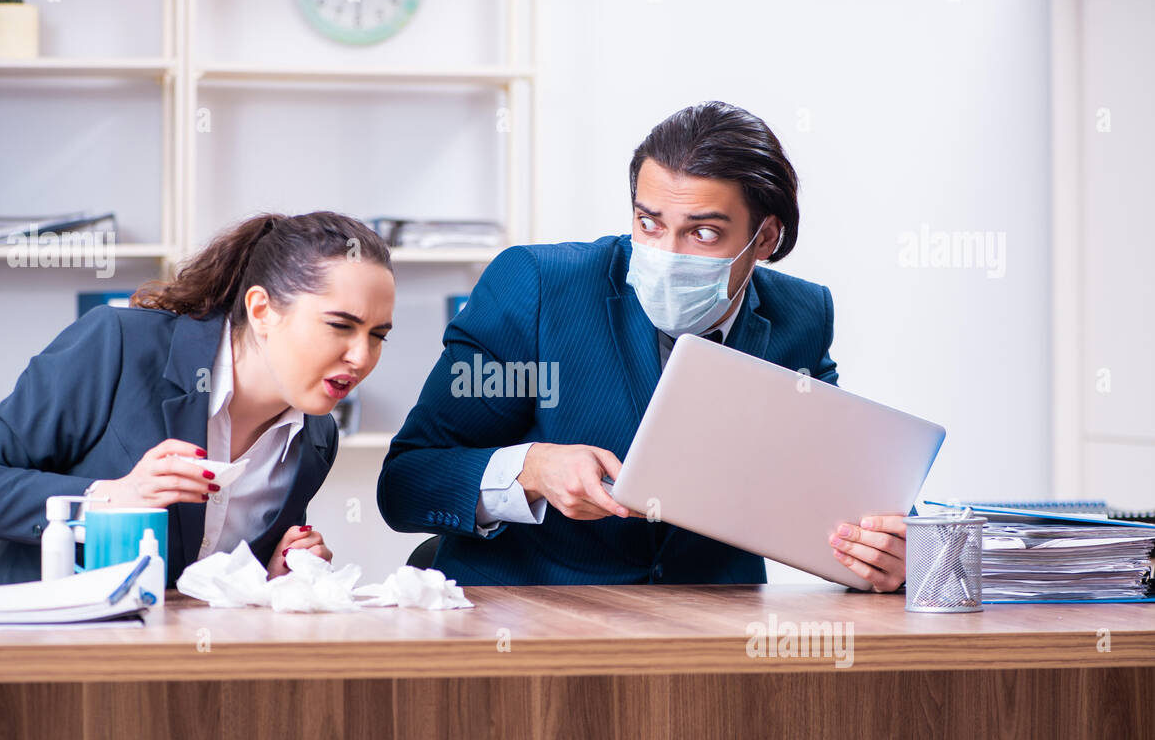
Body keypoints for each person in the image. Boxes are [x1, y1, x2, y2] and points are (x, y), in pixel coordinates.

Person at [377, 101, 909, 591]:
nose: (666, 252)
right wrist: (530, 471)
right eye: (649, 223)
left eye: (702, 234)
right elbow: (407, 482)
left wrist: (885, 555)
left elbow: (826, 495)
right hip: (532, 621)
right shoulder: (540, 290)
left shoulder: (801, 317)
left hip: (711, 630)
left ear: (764, 239)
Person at [0, 211, 395, 588]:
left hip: (182, 678)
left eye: (378, 336)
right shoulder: (118, 345)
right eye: (341, 326)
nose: (361, 357)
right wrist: (111, 498)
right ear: (261, 310)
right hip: (49, 661)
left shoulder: (315, 436)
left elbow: (201, 581)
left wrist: (273, 580)